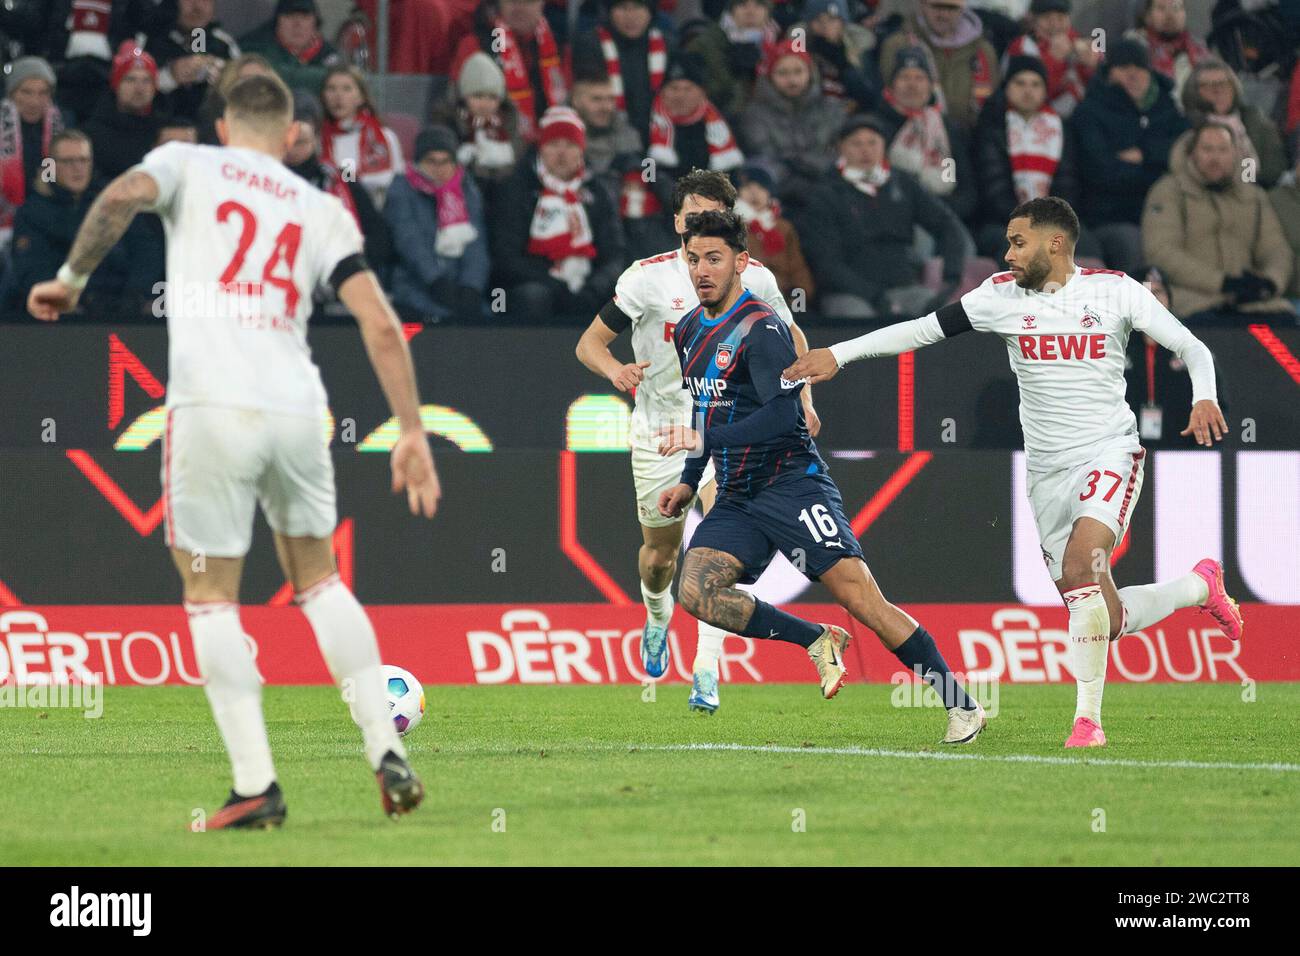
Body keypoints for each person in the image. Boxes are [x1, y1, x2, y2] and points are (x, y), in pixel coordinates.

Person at [27, 72, 440, 826]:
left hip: (211, 405)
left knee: (212, 594)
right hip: (296, 407)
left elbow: (119, 198)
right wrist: (411, 428)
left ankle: (256, 786)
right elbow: (381, 323)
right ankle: (386, 749)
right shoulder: (319, 207)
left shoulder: (186, 162)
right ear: (289, 138)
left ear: (223, 127)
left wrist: (70, 280)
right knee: (320, 581)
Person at [785, 196, 1242, 748]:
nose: (1007, 253)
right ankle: (1200, 586)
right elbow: (920, 330)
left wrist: (1204, 397)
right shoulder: (998, 296)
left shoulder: (1116, 291)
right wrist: (840, 354)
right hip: (1045, 471)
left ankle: (1087, 722)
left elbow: (1192, 347)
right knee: (1105, 614)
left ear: (1056, 243)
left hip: (1109, 452)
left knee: (1080, 566)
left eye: (1017, 241)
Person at [656, 209, 986, 743]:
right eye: (692, 259)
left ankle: (961, 704)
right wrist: (691, 480)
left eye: (713, 258)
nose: (701, 270)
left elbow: (783, 416)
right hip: (738, 496)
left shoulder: (762, 329)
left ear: (741, 261)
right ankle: (815, 639)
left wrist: (708, 442)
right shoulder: (690, 329)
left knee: (863, 600)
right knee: (695, 591)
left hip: (791, 483)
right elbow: (704, 413)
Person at [574, 169, 819, 713]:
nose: (698, 230)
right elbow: (589, 343)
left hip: (727, 429)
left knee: (713, 550)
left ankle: (706, 670)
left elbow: (791, 337)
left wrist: (803, 399)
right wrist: (615, 370)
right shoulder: (646, 279)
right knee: (660, 557)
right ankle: (657, 615)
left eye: (711, 218)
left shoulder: (753, 278)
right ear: (677, 223)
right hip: (659, 432)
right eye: (690, 219)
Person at [800, 114, 967, 321]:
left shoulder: (903, 183)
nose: (865, 150)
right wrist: (874, 295)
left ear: (884, 146)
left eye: (872, 142)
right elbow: (825, 263)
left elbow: (947, 224)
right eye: (856, 143)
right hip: (848, 294)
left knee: (948, 318)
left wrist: (952, 275)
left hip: (905, 288)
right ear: (841, 148)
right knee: (861, 323)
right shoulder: (825, 194)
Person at [1141, 122, 1295, 325]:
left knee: (1286, 331)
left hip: (1251, 301)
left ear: (1235, 153)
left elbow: (1276, 248)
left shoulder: (1254, 196)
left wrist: (1269, 283)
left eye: (1223, 150)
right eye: (1207, 149)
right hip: (1191, 301)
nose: (1215, 158)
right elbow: (1161, 252)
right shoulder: (1168, 191)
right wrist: (1222, 283)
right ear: (1192, 153)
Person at [491, 106, 625, 323]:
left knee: (621, 301)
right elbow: (506, 257)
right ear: (541, 149)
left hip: (588, 281)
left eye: (570, 145)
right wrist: (553, 283)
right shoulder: (517, 189)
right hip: (537, 281)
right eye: (553, 145)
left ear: (581, 150)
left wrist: (594, 287)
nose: (561, 153)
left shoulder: (598, 191)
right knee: (533, 297)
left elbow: (615, 254)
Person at [1069, 37, 1186, 276]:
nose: (1133, 75)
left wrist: (1145, 154)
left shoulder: (1168, 108)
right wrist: (1160, 171)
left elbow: (1185, 151)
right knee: (1132, 244)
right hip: (1113, 216)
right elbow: (1102, 172)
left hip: (1172, 210)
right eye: (1124, 68)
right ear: (1109, 72)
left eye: (1140, 68)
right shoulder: (1089, 113)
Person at [1, 130, 131, 317]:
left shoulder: (109, 201)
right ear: (51, 166)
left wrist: (134, 293)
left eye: (83, 160)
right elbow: (31, 272)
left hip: (114, 308)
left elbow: (139, 250)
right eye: (68, 161)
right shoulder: (33, 211)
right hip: (56, 315)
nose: (78, 168)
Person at [972, 54, 1084, 260]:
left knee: (1086, 247)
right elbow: (993, 190)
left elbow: (1068, 183)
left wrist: (1051, 221)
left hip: (1053, 222)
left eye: (1035, 84)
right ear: (1007, 87)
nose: (1028, 91)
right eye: (1020, 83)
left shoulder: (1060, 129)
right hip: (1000, 223)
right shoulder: (991, 126)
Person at [384, 126, 490, 322]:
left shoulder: (468, 190)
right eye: (431, 161)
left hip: (460, 285)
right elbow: (408, 240)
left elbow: (477, 244)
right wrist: (435, 281)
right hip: (416, 286)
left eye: (445, 161)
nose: (439, 169)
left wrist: (471, 286)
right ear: (419, 162)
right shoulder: (402, 190)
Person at [877, 0, 1000, 131]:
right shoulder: (899, 44)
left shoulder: (983, 50)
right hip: (912, 133)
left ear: (962, 9)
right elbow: (887, 92)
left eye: (951, 8)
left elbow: (992, 98)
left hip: (970, 137)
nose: (944, 15)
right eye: (937, 7)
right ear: (923, 5)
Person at [570, 0, 671, 147]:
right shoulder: (590, 45)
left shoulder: (668, 45)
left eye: (638, 7)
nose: (630, 16)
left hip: (661, 139)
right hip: (605, 139)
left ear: (651, 12)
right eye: (623, 8)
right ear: (609, 11)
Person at [318, 66, 405, 208]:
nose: (338, 96)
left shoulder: (386, 137)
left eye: (347, 89)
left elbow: (398, 182)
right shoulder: (318, 139)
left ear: (361, 97)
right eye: (331, 89)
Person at [1, 57, 64, 248]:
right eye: (26, 92)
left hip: (46, 220)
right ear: (12, 93)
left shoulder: (60, 128)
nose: (34, 101)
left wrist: (50, 184)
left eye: (43, 93)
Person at [145, 0, 241, 122]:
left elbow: (244, 92)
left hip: (211, 131)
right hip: (156, 128)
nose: (197, 6)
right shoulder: (150, 40)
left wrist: (224, 79)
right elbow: (126, 94)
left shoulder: (223, 44)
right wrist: (169, 77)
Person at [82, 41, 164, 180]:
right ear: (116, 85)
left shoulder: (164, 128)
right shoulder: (93, 133)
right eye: (130, 80)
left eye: (146, 81)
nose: (139, 88)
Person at [1003, 0, 1098, 118]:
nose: (1055, 25)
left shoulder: (1080, 41)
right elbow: (1027, 95)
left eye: (1061, 18)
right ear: (1034, 21)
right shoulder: (1022, 46)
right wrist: (1055, 60)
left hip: (1080, 118)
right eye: (1047, 18)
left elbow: (1098, 90)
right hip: (1038, 119)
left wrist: (1089, 66)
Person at [238, 0, 342, 96]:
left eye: (304, 17)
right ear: (277, 23)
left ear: (315, 24)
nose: (297, 24)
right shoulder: (256, 48)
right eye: (289, 16)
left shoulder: (329, 53)